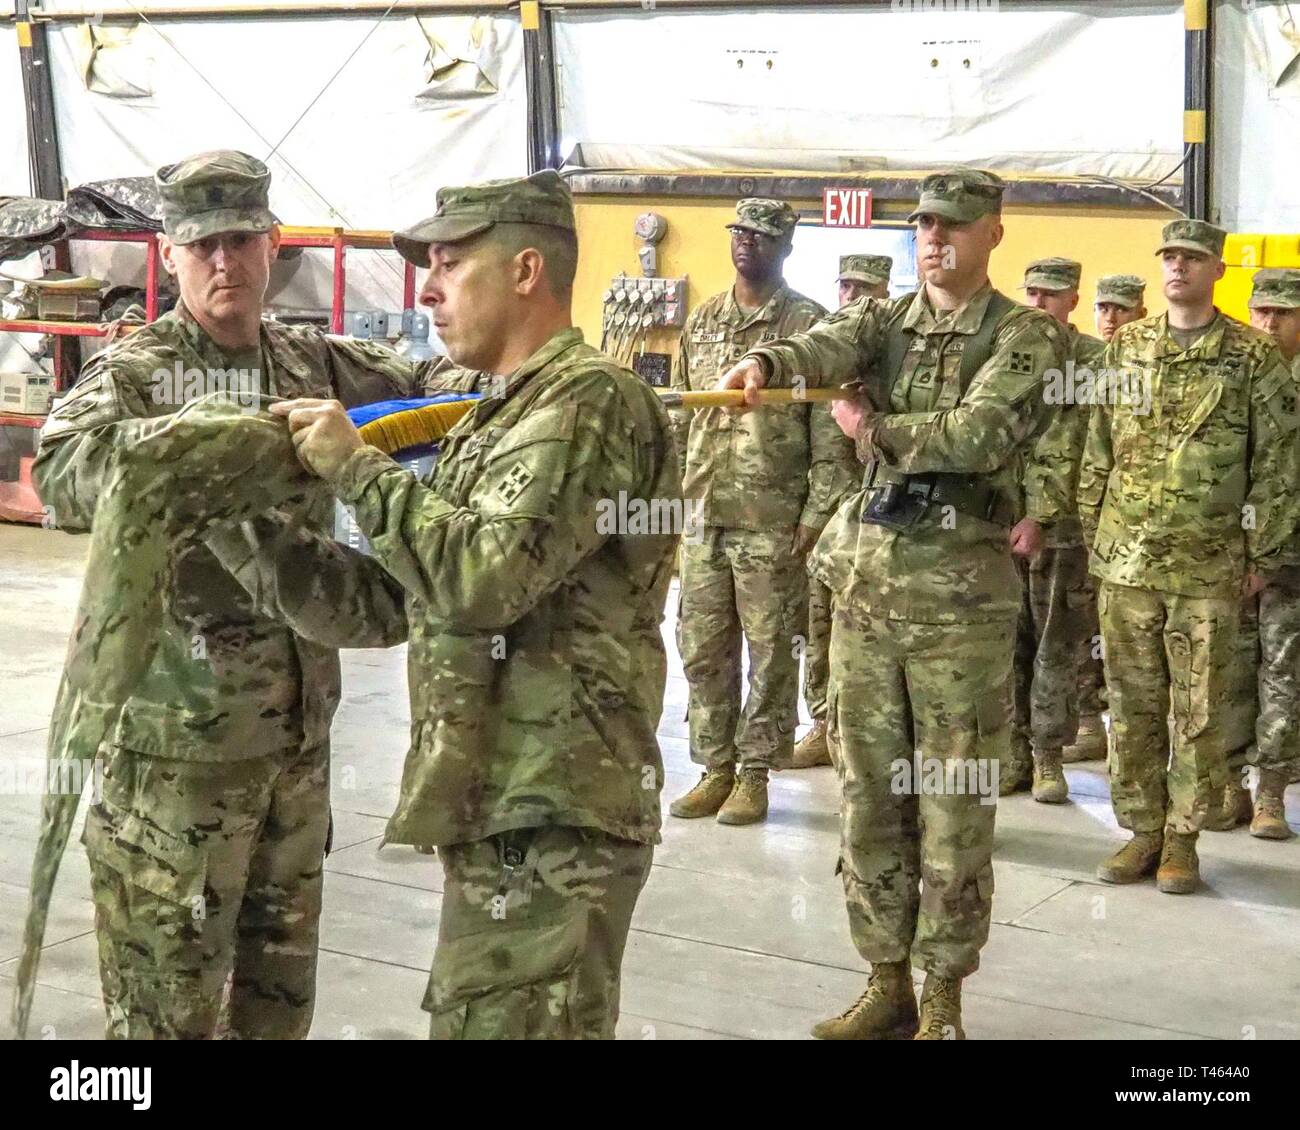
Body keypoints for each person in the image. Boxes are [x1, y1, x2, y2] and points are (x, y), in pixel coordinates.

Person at [219, 171, 681, 1039]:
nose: (425, 291)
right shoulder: (494, 419)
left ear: (526, 271)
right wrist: (243, 532)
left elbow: (482, 580)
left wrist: (355, 467)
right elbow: (393, 603)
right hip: (502, 803)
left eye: (449, 265)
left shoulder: (586, 403)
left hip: (557, 811)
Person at [30, 149, 459, 1040]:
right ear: (172, 257)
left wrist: (496, 393)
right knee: (165, 1018)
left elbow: (434, 386)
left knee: (278, 1002)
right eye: (201, 248)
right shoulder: (137, 373)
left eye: (238, 242)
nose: (223, 264)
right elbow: (63, 473)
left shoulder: (311, 363)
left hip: (296, 751)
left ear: (272, 246)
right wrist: (186, 447)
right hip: (176, 765)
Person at [718, 169, 1068, 1039]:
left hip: (962, 607)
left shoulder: (1025, 337)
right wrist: (768, 360)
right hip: (868, 590)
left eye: (953, 224)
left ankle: (944, 993)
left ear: (994, 230)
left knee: (954, 800)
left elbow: (983, 435)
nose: (935, 238)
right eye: (923, 224)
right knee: (869, 794)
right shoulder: (887, 321)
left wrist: (870, 430)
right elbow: (824, 344)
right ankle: (886, 981)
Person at [1079, 220, 1300, 893]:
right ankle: (1141, 831)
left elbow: (1278, 462)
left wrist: (1262, 553)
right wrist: (1094, 530)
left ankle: (1182, 838)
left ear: (1218, 270)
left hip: (1208, 565)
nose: (1178, 268)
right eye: (1169, 257)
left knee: (1199, 712)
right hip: (1127, 561)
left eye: (1193, 258)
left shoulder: (1252, 357)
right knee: (1133, 704)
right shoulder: (1127, 351)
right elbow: (1097, 444)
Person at [667, 199, 854, 823]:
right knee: (701, 643)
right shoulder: (702, 321)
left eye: (763, 236)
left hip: (774, 515)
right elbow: (682, 418)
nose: (747, 244)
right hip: (704, 511)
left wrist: (814, 516)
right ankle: (714, 765)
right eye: (740, 233)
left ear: (786, 247)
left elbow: (831, 434)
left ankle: (755, 771)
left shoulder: (809, 326)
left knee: (772, 647)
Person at [1008, 257, 1108, 801]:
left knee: (1055, 647)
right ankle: (1011, 753)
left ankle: (1048, 757)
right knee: (1004, 645)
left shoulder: (1097, 362)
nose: (1040, 303)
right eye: (1033, 293)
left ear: (1073, 300)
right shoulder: (1006, 355)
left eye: (1052, 295)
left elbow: (1101, 451)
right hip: (999, 523)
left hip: (1065, 528)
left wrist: (1047, 517)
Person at [792, 253, 894, 771]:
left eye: (865, 290)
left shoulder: (890, 357)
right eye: (846, 288)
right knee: (818, 624)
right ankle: (820, 723)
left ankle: (862, 732)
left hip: (876, 517)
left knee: (866, 630)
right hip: (824, 515)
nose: (853, 298)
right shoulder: (827, 356)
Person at [1222, 267, 1300, 839]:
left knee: (1283, 670)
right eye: (1262, 312)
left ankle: (1270, 791)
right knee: (1226, 669)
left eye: (1284, 314)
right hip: (1229, 551)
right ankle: (1228, 785)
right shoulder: (1232, 377)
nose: (1269, 324)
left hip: (1292, 556)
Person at [1093, 274, 1147, 343]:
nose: (1110, 318)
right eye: (1103, 309)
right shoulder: (1080, 351)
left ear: (1141, 315)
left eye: (1121, 310)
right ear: (1094, 311)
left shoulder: (1155, 351)